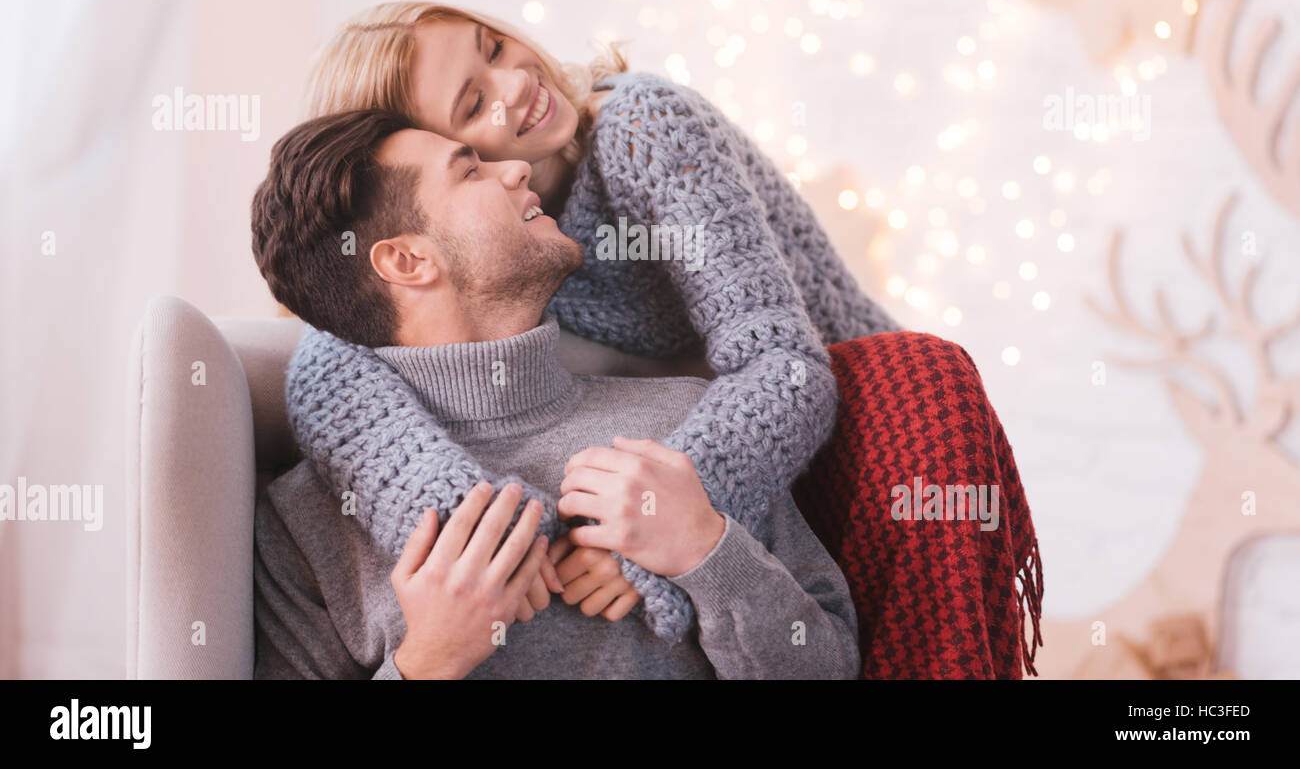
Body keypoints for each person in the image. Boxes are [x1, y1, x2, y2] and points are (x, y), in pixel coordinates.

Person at [284, 2, 902, 640]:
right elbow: (323, 371)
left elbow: (787, 369)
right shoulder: (471, 247)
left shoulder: (642, 128)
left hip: (859, 411)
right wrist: (477, 532)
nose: (517, 83)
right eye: (473, 105)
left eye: (493, 48)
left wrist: (645, 530)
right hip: (744, 481)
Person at [249, 110, 861, 679]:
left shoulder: (687, 430)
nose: (514, 167)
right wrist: (427, 661)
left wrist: (706, 551)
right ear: (408, 260)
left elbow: (832, 664)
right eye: (469, 172)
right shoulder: (303, 525)